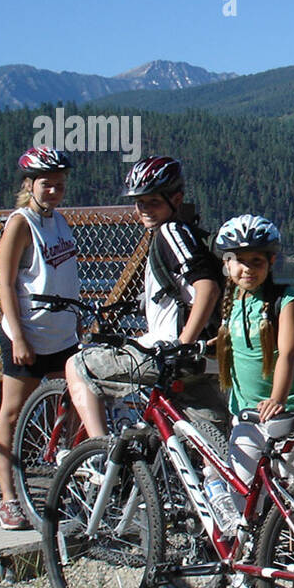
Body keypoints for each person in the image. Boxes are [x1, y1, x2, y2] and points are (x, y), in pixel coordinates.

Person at [65, 156, 227, 440]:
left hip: (171, 355)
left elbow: (207, 288)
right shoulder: (189, 234)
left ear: (176, 199)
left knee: (78, 364)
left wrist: (183, 344)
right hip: (205, 357)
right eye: (140, 203)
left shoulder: (170, 232)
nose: (145, 209)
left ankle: (100, 450)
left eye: (154, 202)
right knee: (211, 446)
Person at [211, 214, 294, 588]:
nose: (247, 269)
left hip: (285, 415)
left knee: (293, 508)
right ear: (226, 264)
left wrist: (277, 396)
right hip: (245, 418)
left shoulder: (283, 299)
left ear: (271, 263)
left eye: (257, 261)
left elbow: (288, 354)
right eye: (238, 261)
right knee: (246, 509)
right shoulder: (231, 300)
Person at [0, 147, 81, 529]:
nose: (54, 192)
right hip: (28, 335)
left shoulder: (59, 221)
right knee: (11, 414)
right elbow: (5, 282)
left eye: (60, 185)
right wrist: (19, 338)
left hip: (63, 336)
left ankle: (71, 488)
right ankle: (8, 500)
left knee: (76, 407)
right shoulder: (20, 223)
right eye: (47, 185)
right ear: (29, 185)